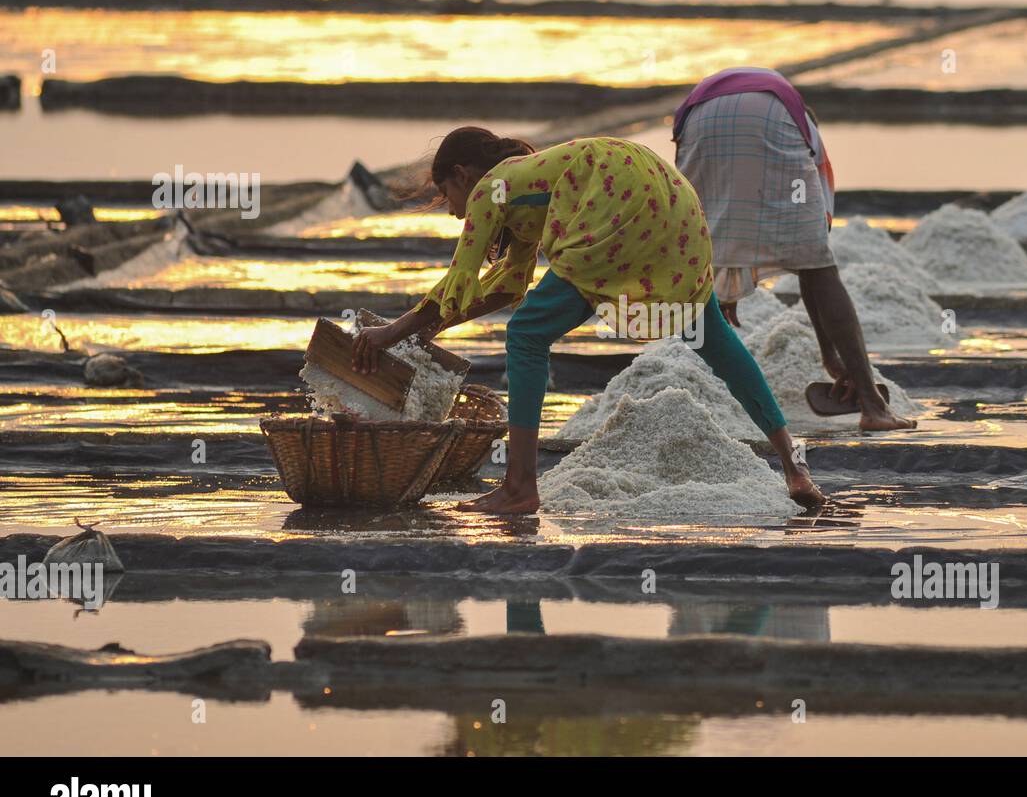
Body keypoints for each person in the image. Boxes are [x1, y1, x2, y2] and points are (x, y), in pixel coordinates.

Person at [352, 126, 824, 514]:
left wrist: (391, 333)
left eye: (446, 195)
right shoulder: (524, 184)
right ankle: (794, 468)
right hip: (670, 200)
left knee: (525, 335)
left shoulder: (488, 190)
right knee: (713, 339)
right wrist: (429, 328)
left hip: (618, 202)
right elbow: (509, 287)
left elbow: (458, 283)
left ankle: (519, 486)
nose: (455, 213)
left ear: (461, 175)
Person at [673, 67, 916, 432]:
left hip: (696, 123)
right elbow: (813, 261)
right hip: (767, 117)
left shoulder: (747, 95)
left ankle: (702, 400)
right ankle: (872, 405)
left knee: (701, 242)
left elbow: (729, 217)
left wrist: (726, 287)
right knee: (821, 266)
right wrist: (831, 354)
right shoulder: (804, 127)